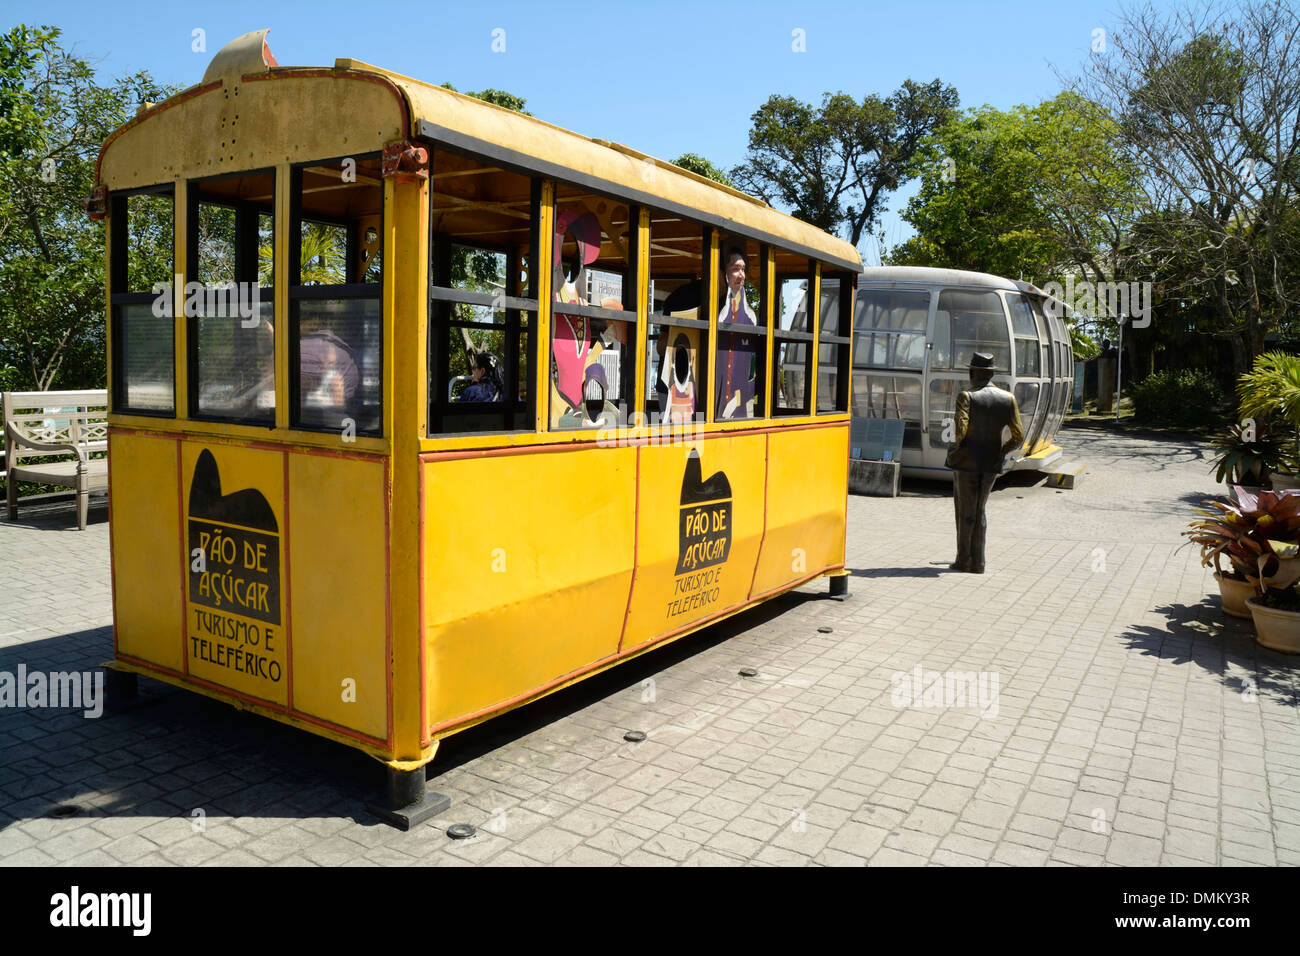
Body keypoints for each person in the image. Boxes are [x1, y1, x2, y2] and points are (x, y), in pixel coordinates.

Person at [949, 352, 1024, 574]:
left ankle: (964, 560)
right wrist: (1001, 451)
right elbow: (1018, 436)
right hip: (991, 462)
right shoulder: (1008, 399)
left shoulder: (966, 397)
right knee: (980, 510)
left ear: (973, 373)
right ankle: (979, 562)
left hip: (966, 462)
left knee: (965, 511)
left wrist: (955, 447)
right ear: (990, 374)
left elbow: (960, 431)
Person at [716, 249, 759, 419]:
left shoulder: (750, 318)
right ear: (723, 273)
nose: (741, 275)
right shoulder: (715, 311)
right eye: (735, 269)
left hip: (738, 411)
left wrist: (741, 396)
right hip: (713, 406)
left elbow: (758, 370)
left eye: (743, 269)